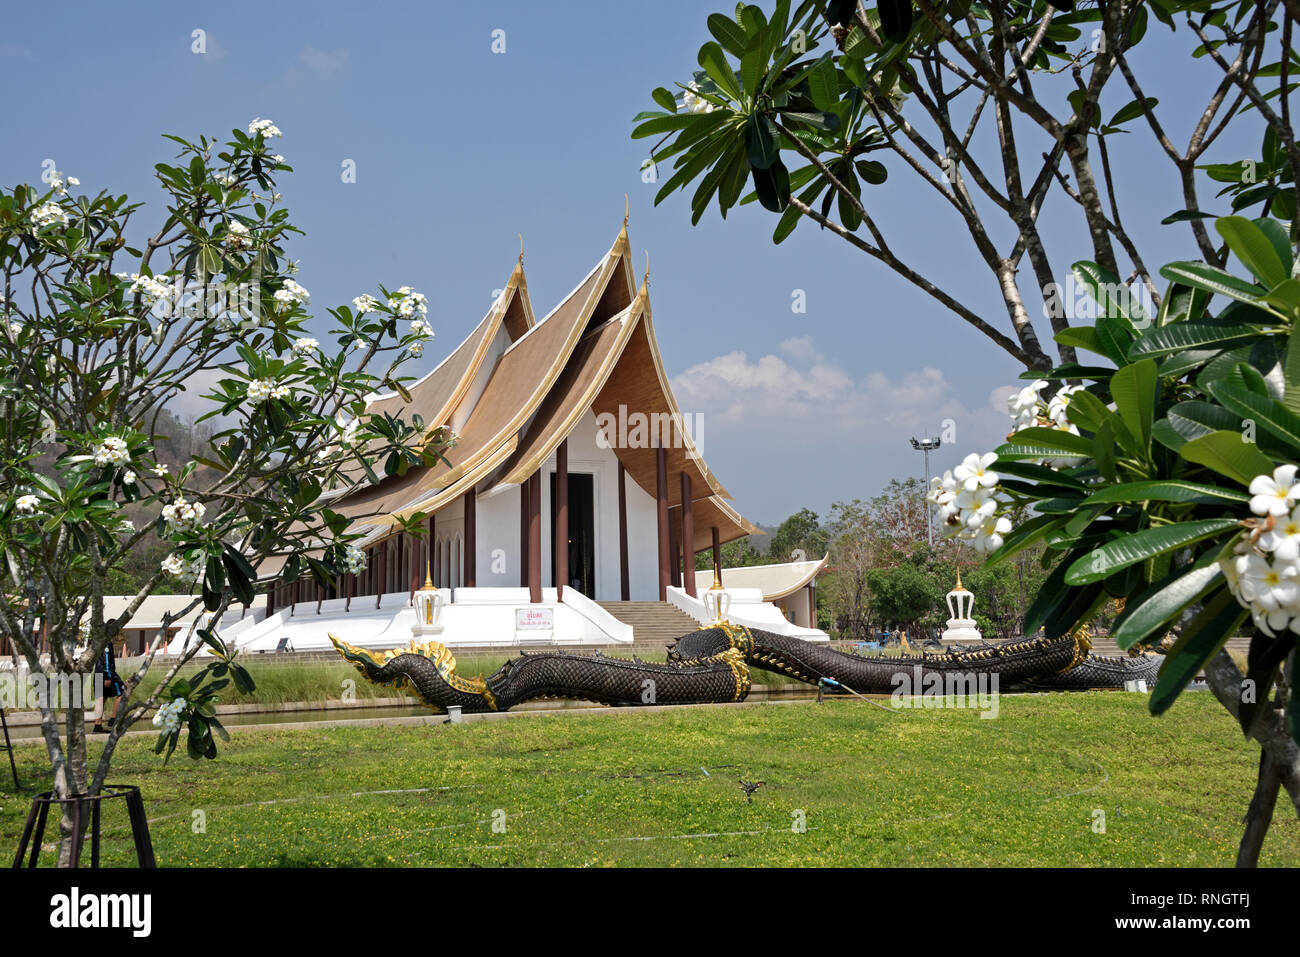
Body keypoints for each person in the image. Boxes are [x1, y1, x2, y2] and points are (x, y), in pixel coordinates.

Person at [91, 638, 125, 734]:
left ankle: (97, 726)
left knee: (101, 698)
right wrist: (108, 677)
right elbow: (106, 660)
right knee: (123, 692)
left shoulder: (98, 641)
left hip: (97, 674)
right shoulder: (107, 643)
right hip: (106, 674)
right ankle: (112, 720)